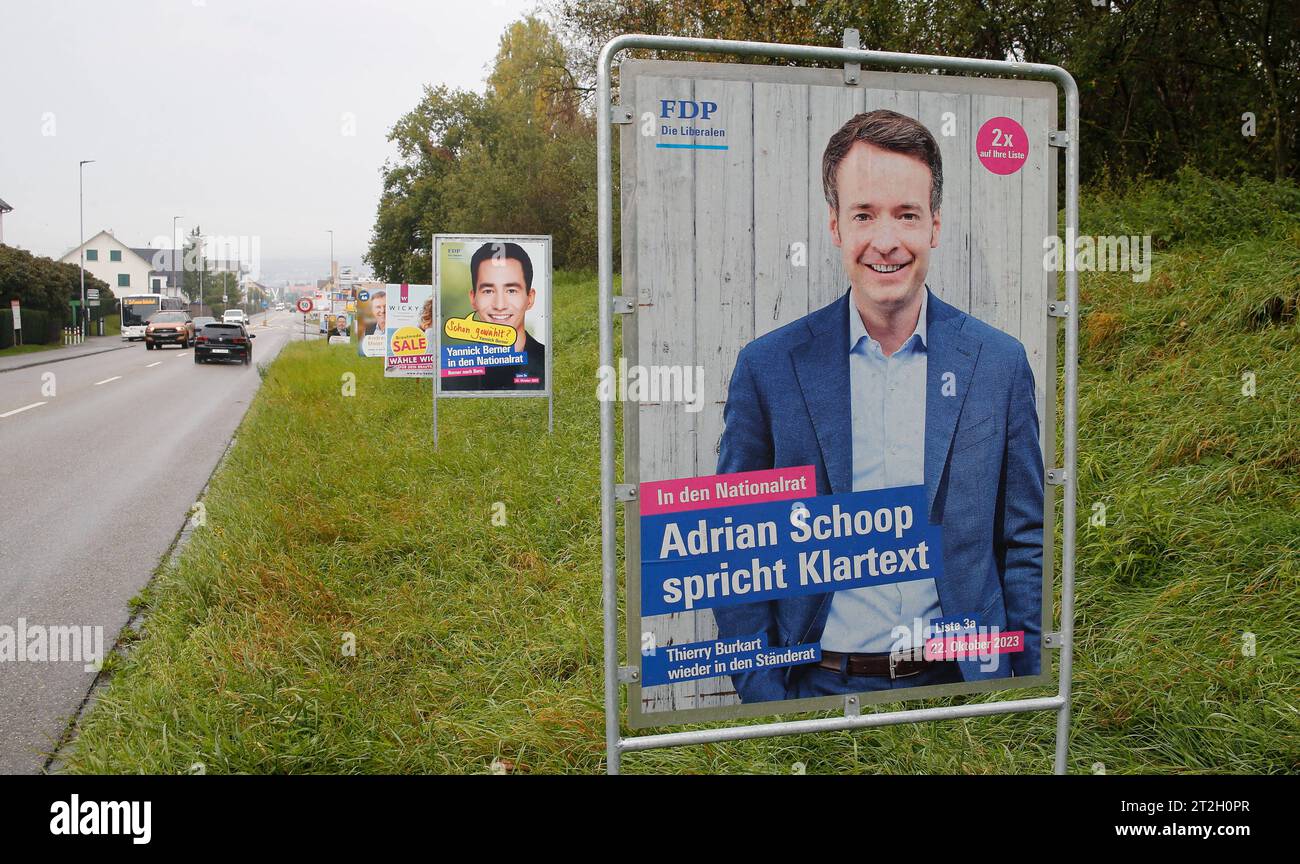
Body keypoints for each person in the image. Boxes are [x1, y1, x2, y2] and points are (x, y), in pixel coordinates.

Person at [714, 110, 1043, 703]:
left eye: (907, 215)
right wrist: (766, 694)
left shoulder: (999, 365)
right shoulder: (768, 369)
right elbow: (736, 542)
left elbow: (1025, 542)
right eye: (864, 214)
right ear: (836, 226)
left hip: (964, 694)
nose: (886, 241)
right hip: (815, 694)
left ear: (935, 226)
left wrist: (1023, 694)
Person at [441, 242, 545, 391]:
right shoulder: (453, 372)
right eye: (488, 291)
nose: (500, 305)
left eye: (511, 290)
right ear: (473, 299)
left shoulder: (550, 363)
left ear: (530, 298)